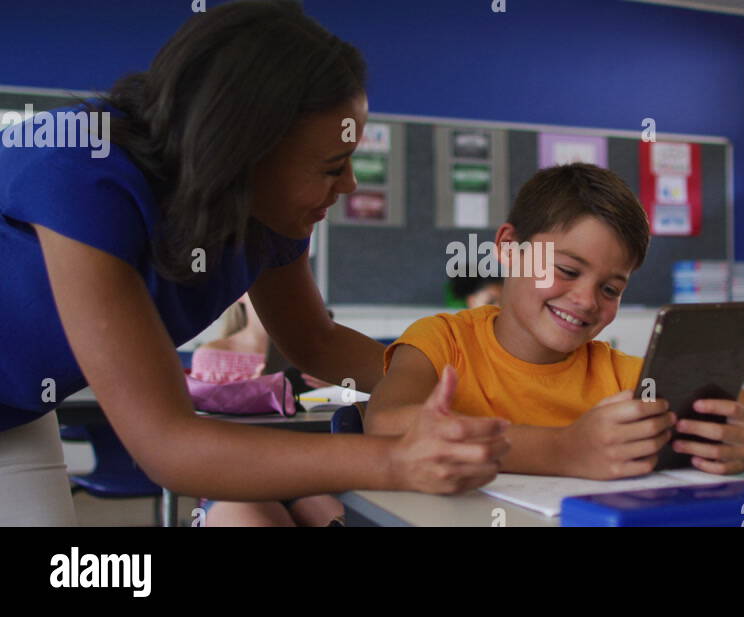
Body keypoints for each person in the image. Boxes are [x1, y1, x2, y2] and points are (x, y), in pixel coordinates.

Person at [0, 0, 507, 526]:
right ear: (240, 151)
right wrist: (396, 462)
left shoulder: (263, 216)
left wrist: (488, 394)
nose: (351, 184)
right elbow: (167, 446)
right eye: (333, 166)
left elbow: (317, 341)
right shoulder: (83, 174)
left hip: (17, 414)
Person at [365, 164, 744, 479]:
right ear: (508, 247)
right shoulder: (443, 341)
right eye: (568, 270)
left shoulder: (619, 374)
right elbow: (384, 422)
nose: (586, 300)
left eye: (611, 289)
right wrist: (564, 451)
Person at [190, 295, 344, 526]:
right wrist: (250, 393)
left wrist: (338, 390)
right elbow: (203, 436)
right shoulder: (211, 355)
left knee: (341, 518)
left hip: (299, 474)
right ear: (239, 293)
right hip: (234, 481)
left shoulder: (314, 355)